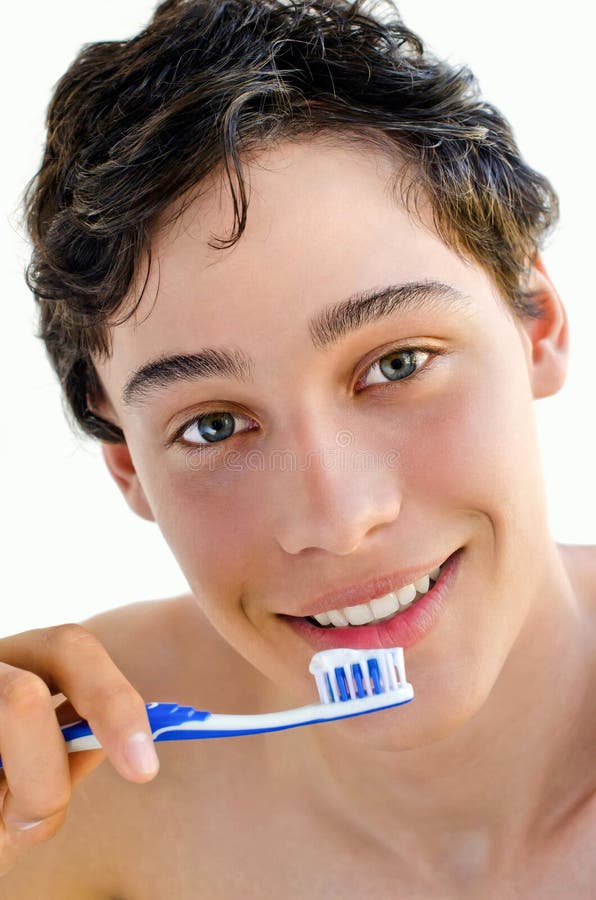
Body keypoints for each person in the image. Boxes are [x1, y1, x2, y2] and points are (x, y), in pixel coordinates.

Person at [1, 0, 594, 895]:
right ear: (127, 461)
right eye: (212, 426)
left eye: (397, 362)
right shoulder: (77, 793)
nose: (340, 519)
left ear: (537, 325)